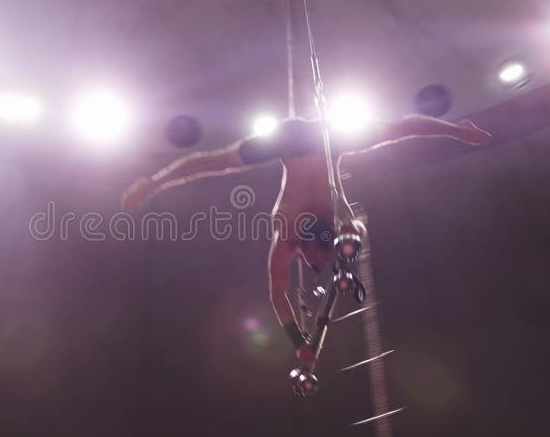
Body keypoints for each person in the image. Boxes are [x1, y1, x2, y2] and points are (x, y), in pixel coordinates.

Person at [122, 115, 491, 371]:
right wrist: (456, 131)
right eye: (325, 253)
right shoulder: (335, 219)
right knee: (372, 167)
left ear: (305, 250)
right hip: (319, 143)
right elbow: (402, 130)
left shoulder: (287, 236)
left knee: (220, 164)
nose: (317, 253)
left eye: (317, 254)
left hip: (291, 142)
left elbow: (277, 295)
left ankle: (153, 182)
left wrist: (299, 342)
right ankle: (153, 181)